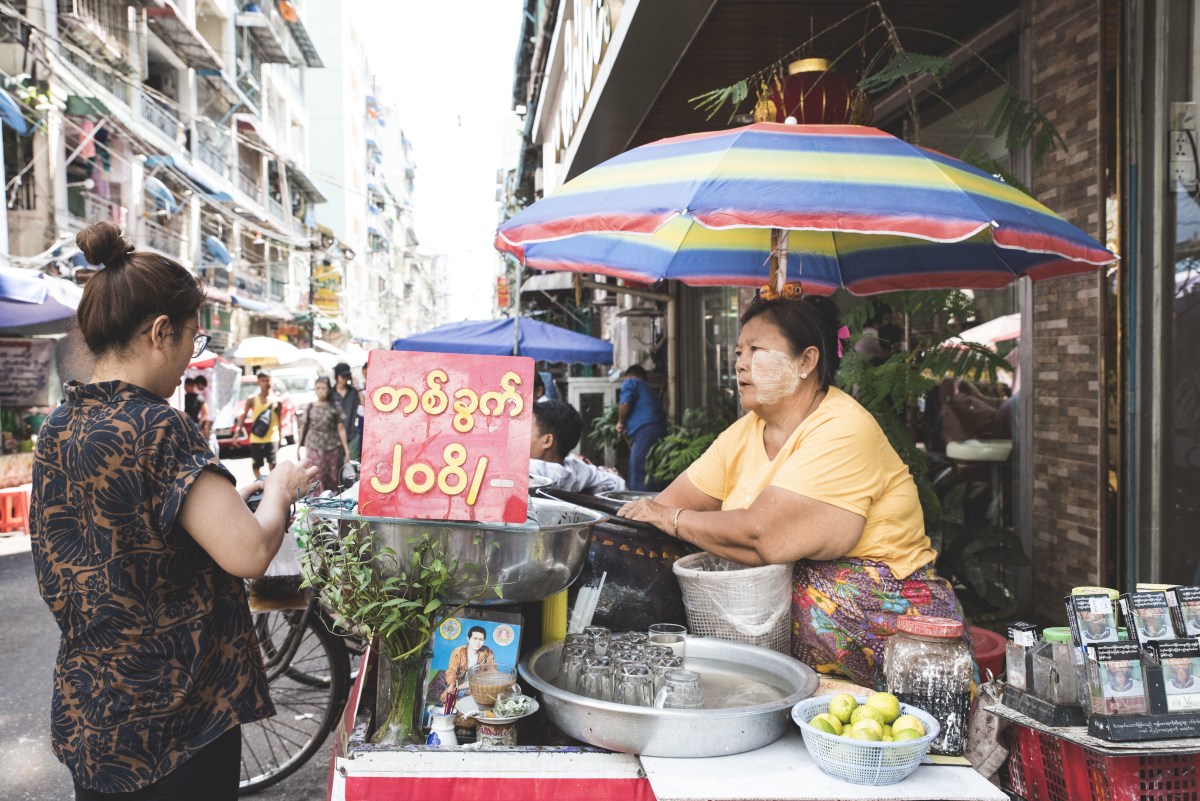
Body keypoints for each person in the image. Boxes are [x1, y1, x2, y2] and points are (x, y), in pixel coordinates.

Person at [28, 221, 317, 800]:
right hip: (175, 722)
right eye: (193, 339)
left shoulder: (60, 427)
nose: (191, 356)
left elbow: (134, 531)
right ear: (161, 332)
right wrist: (282, 486)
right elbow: (250, 553)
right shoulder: (159, 426)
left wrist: (243, 491)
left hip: (94, 713)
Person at [616, 286, 970, 688]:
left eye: (756, 350)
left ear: (806, 361)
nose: (741, 364)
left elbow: (765, 536)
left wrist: (676, 520)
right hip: (801, 674)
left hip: (903, 655)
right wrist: (665, 517)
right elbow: (663, 509)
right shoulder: (746, 432)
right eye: (737, 353)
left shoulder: (842, 427)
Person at [530, 399, 626, 494]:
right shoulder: (576, 467)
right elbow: (618, 483)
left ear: (547, 441)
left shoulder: (537, 471)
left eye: (526, 430)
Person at [616, 364, 667, 492]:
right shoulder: (649, 391)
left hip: (644, 433)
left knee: (639, 473)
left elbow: (625, 403)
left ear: (630, 375)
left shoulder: (632, 381)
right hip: (658, 432)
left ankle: (639, 509)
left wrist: (620, 421)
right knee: (650, 472)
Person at [301, 376, 351, 493]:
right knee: (315, 477)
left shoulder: (335, 406)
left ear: (329, 389)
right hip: (313, 447)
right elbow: (303, 427)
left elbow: (341, 429)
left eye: (323, 388)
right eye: (318, 388)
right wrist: (298, 447)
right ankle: (315, 504)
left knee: (333, 477)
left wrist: (346, 450)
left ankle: (332, 502)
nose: (320, 391)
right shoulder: (310, 407)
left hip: (332, 448)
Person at [240, 371, 281, 479]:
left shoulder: (276, 400)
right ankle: (261, 483)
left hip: (272, 437)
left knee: (272, 465)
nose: (265, 383)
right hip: (256, 438)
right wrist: (237, 433)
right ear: (258, 382)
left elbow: (279, 420)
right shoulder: (252, 399)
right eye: (262, 380)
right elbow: (243, 416)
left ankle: (271, 483)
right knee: (256, 466)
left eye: (267, 380)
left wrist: (280, 438)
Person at [439, 626, 497, 703]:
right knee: (444, 699)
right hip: (458, 682)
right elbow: (451, 670)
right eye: (475, 639)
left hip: (476, 685)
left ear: (484, 641)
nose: (478, 642)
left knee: (482, 697)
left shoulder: (487, 653)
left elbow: (492, 673)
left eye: (481, 640)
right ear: (468, 639)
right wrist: (451, 684)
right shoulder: (458, 652)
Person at [333, 362, 361, 461]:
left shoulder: (353, 392)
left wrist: (357, 387)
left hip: (351, 436)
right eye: (343, 376)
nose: (345, 378)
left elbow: (364, 404)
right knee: (336, 471)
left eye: (347, 376)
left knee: (352, 470)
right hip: (334, 439)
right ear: (336, 376)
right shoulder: (330, 393)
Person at [194, 374, 218, 456]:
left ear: (200, 384)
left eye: (197, 385)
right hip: (210, 417)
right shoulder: (208, 391)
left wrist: (202, 420)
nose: (197, 387)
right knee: (211, 439)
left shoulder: (205, 392)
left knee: (208, 440)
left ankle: (212, 459)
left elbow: (206, 409)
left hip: (208, 418)